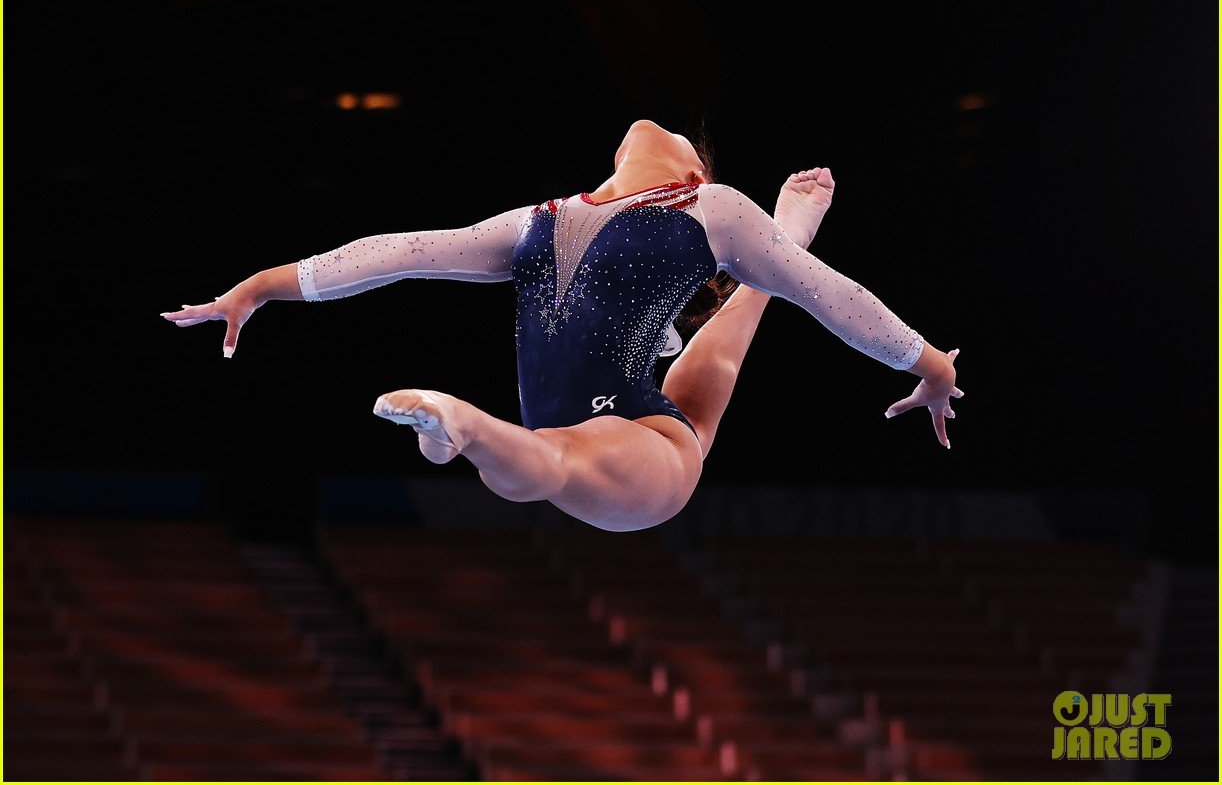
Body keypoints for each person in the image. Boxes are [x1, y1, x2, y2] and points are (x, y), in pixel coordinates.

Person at [162, 120, 963, 532]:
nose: (658, 126)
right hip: (611, 440)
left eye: (687, 142)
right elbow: (399, 252)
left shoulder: (708, 207)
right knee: (583, 438)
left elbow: (833, 298)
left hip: (638, 449)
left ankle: (462, 427)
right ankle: (458, 432)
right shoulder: (539, 219)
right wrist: (261, 287)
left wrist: (930, 362)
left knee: (558, 452)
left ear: (692, 171)